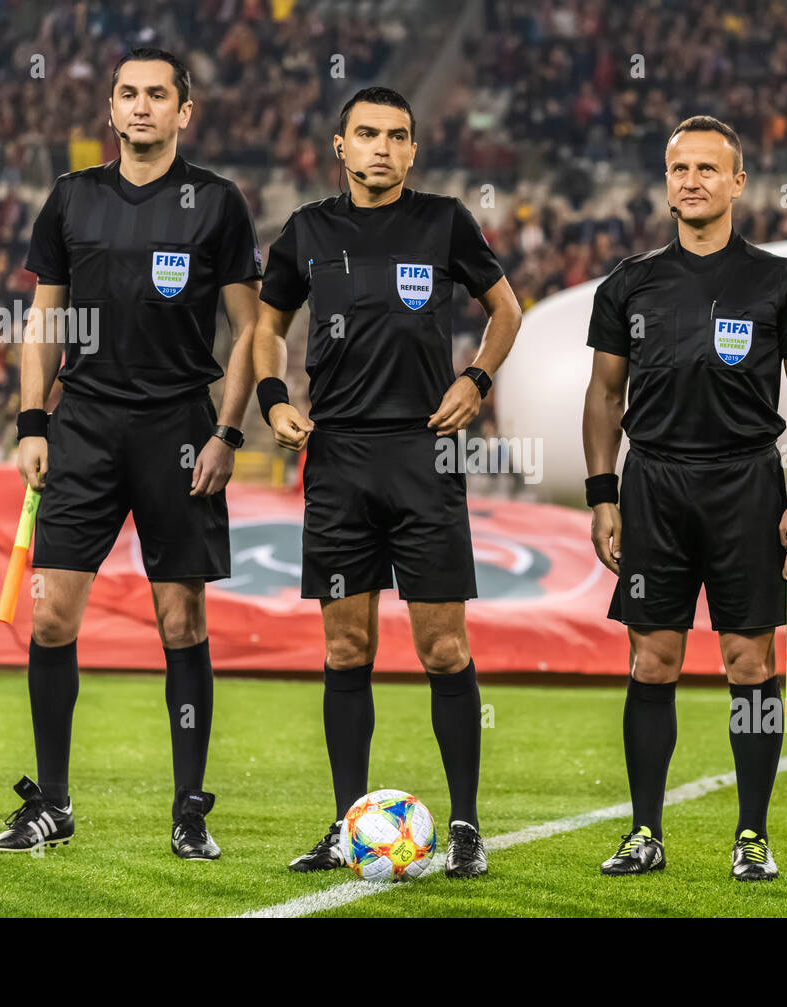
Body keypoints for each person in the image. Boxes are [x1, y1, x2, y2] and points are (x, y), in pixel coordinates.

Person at [0, 48, 263, 860]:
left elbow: (253, 328)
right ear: (109, 108)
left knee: (182, 618)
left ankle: (188, 808)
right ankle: (53, 803)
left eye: (158, 95)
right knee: (50, 613)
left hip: (180, 426)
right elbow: (44, 320)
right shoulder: (72, 198)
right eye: (127, 94)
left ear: (186, 111)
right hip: (85, 424)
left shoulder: (216, 203)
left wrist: (227, 429)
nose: (141, 107)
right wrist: (32, 422)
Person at [253, 87, 521, 878]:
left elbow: (506, 309)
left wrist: (476, 379)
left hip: (424, 454)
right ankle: (346, 823)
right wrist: (273, 399)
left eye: (396, 137)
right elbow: (266, 326)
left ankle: (467, 825)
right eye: (365, 134)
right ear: (340, 146)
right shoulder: (306, 231)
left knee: (442, 646)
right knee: (347, 644)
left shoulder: (444, 222)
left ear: (412, 150)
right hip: (336, 458)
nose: (381, 147)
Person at [582, 116, 787, 880]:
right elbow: (603, 394)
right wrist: (603, 494)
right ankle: (644, 833)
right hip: (653, 485)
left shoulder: (779, 281)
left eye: (707, 169)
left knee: (750, 663)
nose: (691, 180)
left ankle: (751, 835)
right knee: (652, 660)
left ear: (738, 182)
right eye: (678, 168)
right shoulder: (627, 284)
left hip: (747, 487)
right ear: (666, 180)